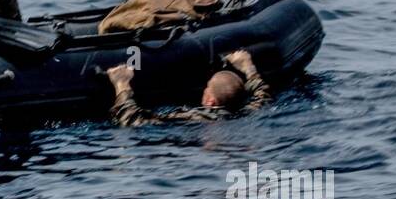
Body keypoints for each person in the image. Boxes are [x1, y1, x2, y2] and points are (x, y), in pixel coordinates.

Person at [105, 49, 271, 126]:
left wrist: (122, 85)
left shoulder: (195, 119)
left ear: (210, 101)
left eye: (207, 88)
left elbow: (135, 122)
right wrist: (248, 68)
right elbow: (263, 94)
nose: (204, 90)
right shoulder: (246, 112)